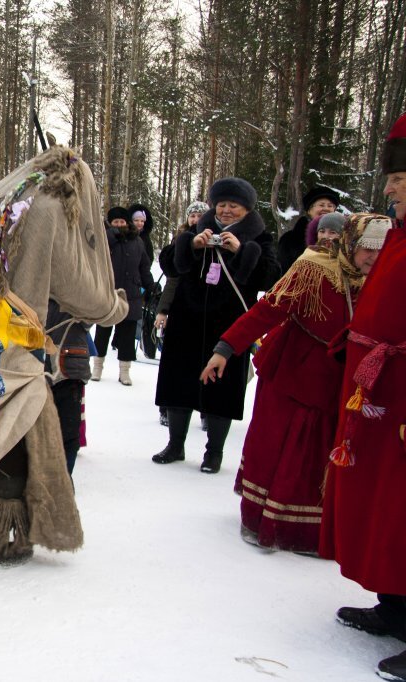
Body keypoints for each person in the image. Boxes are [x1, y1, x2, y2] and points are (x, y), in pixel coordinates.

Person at [200, 213, 391, 552]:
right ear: (351, 243)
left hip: (339, 381)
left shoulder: (380, 279)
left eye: (380, 250)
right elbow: (267, 310)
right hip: (293, 370)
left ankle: (313, 532)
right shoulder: (313, 269)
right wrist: (225, 348)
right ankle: (259, 518)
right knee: (278, 446)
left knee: (319, 456)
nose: (373, 258)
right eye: (366, 249)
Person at [322, 112, 406, 682]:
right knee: (383, 508)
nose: (391, 188)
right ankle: (396, 605)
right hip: (378, 400)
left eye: (402, 179)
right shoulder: (399, 238)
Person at [152, 177, 281, 473]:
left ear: (246, 209)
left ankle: (214, 452)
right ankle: (175, 444)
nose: (226, 211)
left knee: (222, 388)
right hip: (187, 319)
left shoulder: (259, 237)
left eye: (233, 206)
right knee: (179, 381)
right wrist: (190, 244)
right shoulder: (198, 228)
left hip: (229, 324)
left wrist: (242, 251)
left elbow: (271, 277)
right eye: (221, 204)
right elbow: (169, 264)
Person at [155, 200, 208, 425]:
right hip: (180, 308)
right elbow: (172, 280)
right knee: (174, 363)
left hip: (207, 311)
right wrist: (163, 310)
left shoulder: (216, 240)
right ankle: (168, 408)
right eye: (192, 216)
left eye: (200, 216)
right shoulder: (180, 242)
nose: (195, 220)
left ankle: (207, 410)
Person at [91, 206, 153, 385]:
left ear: (127, 222)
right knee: (103, 332)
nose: (119, 225)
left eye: (122, 221)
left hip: (131, 294)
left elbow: (144, 267)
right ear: (110, 223)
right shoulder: (104, 239)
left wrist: (150, 287)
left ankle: (124, 371)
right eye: (115, 222)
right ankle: (97, 367)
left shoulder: (138, 241)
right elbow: (95, 254)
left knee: (127, 335)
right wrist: (112, 235)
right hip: (108, 292)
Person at [46, 300, 93, 475]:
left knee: (67, 431)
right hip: (26, 361)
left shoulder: (80, 276)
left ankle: (63, 483)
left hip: (68, 364)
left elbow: (98, 310)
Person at [276, 185, 340, 273]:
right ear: (309, 210)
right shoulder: (290, 239)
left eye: (330, 206)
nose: (326, 208)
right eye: (321, 205)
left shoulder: (342, 239)